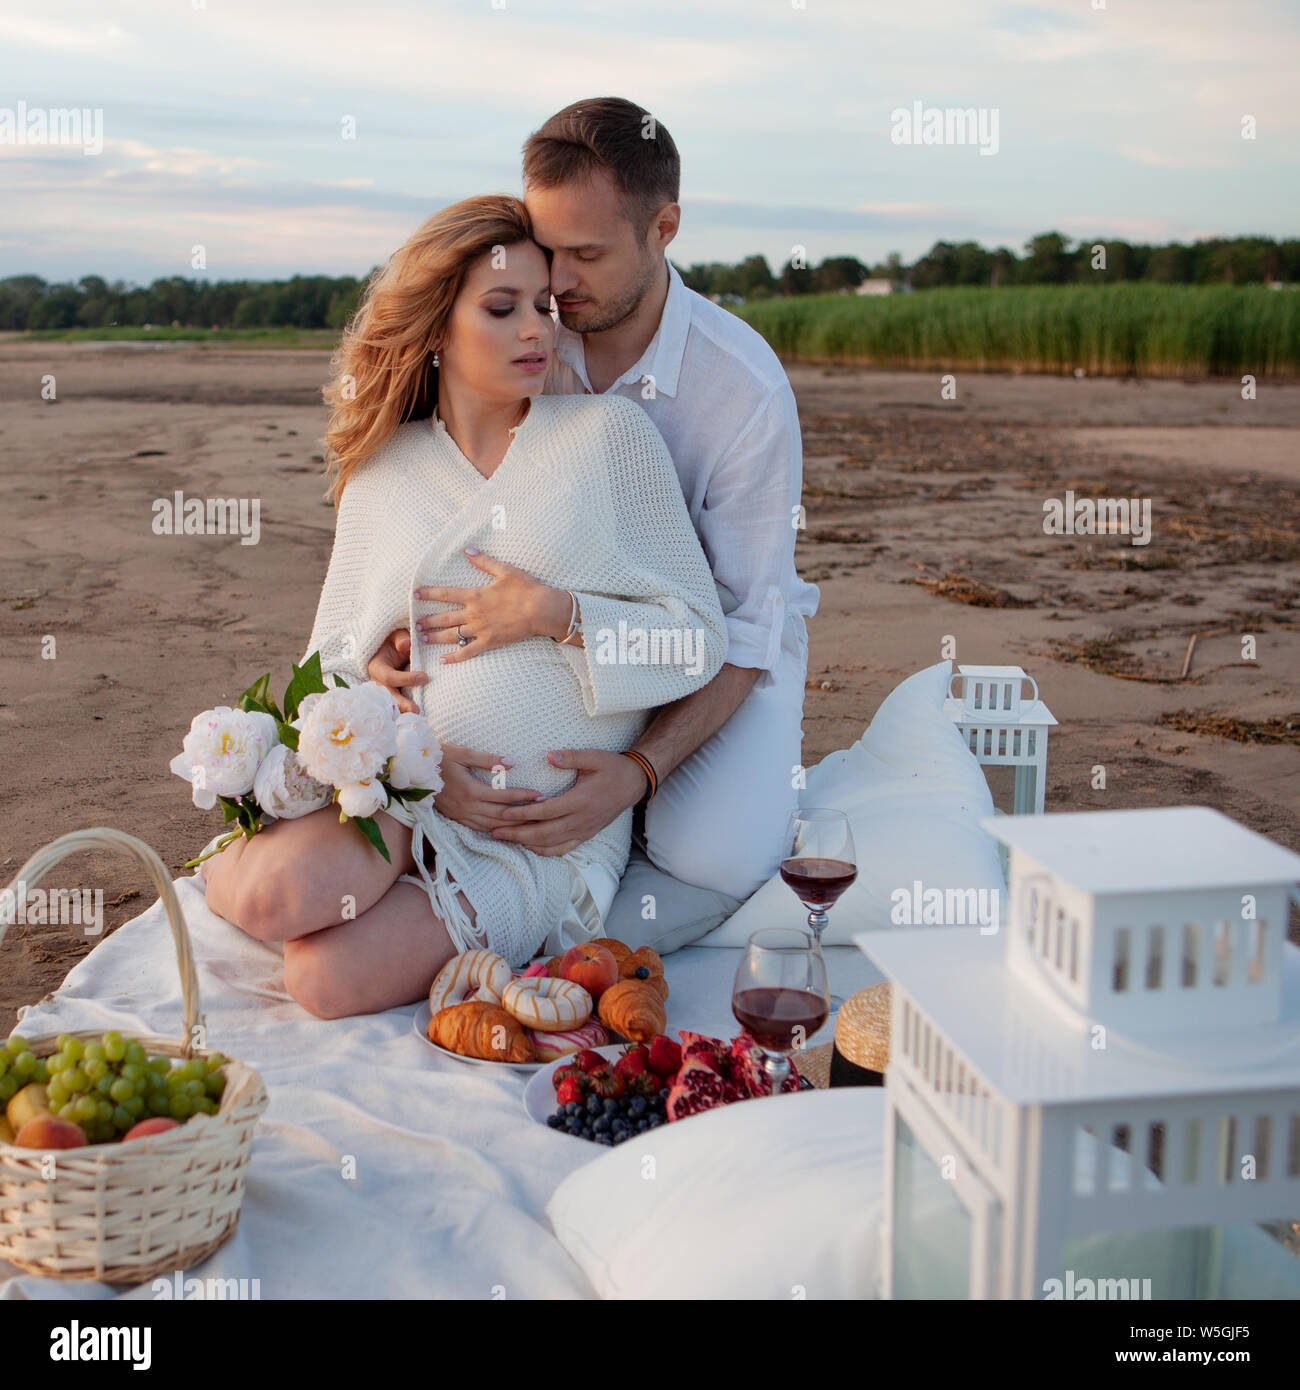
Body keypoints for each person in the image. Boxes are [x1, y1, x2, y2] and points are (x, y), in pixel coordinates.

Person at [200, 194, 726, 1018]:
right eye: (502, 308)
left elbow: (697, 641)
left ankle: (369, 881)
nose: (537, 331)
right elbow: (329, 661)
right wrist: (384, 697)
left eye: (546, 308)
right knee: (275, 899)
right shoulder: (385, 471)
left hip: (532, 834)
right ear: (438, 327)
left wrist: (558, 614)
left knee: (320, 982)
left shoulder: (606, 438)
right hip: (412, 789)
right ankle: (225, 859)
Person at [367, 97, 819, 907]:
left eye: (587, 253)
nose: (559, 284)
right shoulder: (526, 326)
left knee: (710, 856)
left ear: (664, 228)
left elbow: (751, 623)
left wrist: (640, 772)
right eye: (548, 250)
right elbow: (436, 491)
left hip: (707, 647)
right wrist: (389, 642)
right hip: (531, 624)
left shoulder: (743, 390)